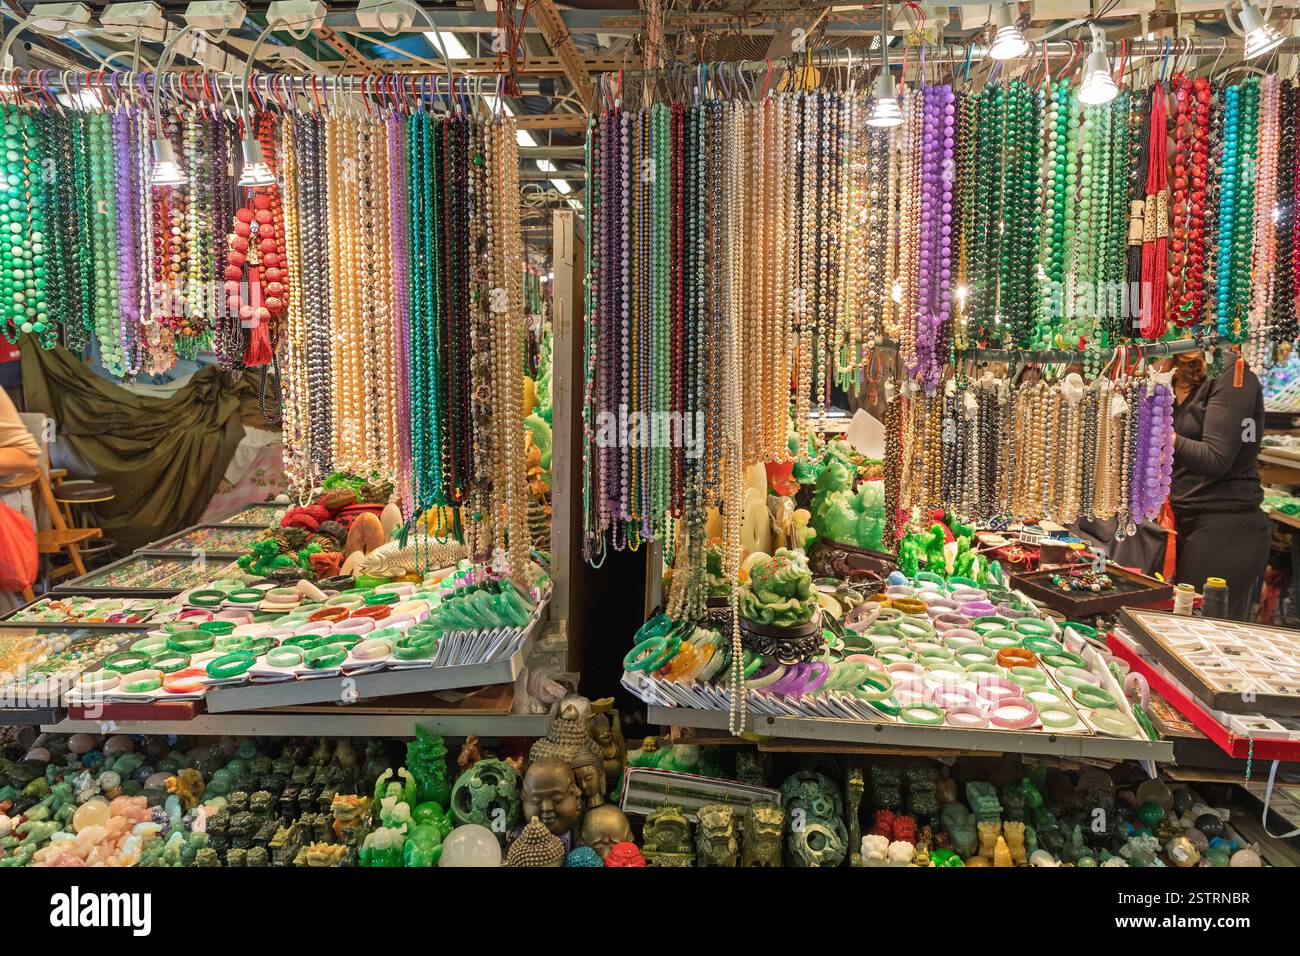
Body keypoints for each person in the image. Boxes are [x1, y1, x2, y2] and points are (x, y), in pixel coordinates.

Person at [1167, 350, 1268, 620]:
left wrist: (1156, 431)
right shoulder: (1162, 370)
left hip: (1225, 525)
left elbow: (1216, 458)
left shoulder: (1233, 375)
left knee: (1192, 631)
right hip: (1175, 520)